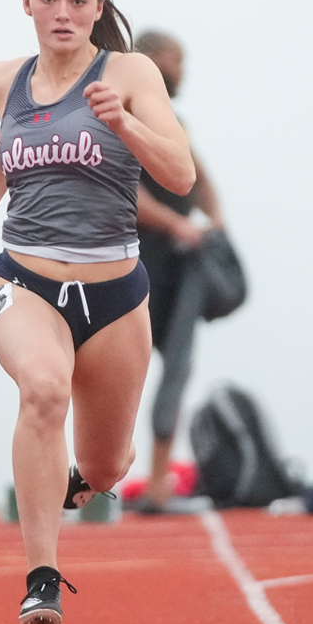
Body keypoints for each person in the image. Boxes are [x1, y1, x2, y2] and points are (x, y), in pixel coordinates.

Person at [0, 0, 193, 624]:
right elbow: (5, 146)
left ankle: (74, 480)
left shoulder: (130, 72)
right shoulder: (3, 79)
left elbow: (179, 175)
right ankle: (42, 576)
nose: (63, 12)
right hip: (25, 279)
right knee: (44, 390)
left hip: (115, 292)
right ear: (26, 3)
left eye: (78, 0)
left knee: (108, 466)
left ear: (98, 7)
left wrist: (124, 122)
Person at [127, 29, 227, 513]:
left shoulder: (175, 121)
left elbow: (197, 173)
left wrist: (216, 219)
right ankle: (96, 475)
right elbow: (128, 192)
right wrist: (179, 225)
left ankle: (157, 485)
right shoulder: (124, 115)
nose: (183, 70)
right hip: (133, 261)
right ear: (151, 61)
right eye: (177, 60)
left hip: (179, 268)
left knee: (178, 367)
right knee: (118, 369)